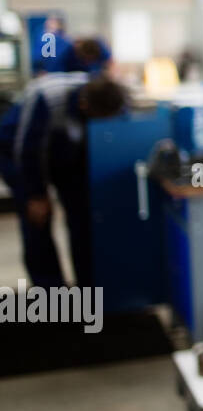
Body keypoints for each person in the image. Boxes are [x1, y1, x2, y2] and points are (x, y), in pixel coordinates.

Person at [1, 71, 129, 288]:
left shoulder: (110, 99)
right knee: (38, 221)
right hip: (17, 153)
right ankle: (51, 291)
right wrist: (36, 194)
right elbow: (26, 149)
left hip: (65, 153)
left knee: (82, 216)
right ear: (84, 106)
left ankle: (87, 286)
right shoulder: (46, 96)